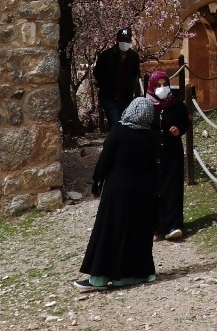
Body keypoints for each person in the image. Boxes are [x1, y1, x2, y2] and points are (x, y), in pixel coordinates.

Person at [77, 98, 160, 291]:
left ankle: (99, 278)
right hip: (144, 191)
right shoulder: (151, 136)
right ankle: (137, 274)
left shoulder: (119, 132)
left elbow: (105, 160)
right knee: (136, 232)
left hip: (118, 190)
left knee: (111, 230)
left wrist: (96, 183)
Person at [146, 69, 191, 241]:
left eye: (165, 85)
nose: (162, 88)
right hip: (154, 154)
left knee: (173, 187)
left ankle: (174, 225)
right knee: (156, 188)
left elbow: (185, 121)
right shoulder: (148, 106)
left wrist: (179, 129)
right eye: (158, 85)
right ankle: (158, 225)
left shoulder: (177, 105)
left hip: (173, 153)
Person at [92, 28, 141, 130]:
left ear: (130, 41)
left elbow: (136, 75)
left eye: (127, 40)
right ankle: (115, 145)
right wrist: (105, 86)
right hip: (110, 98)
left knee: (126, 126)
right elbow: (97, 72)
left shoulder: (134, 57)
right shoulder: (106, 55)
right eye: (122, 40)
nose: (124, 43)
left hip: (126, 97)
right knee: (115, 125)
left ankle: (121, 145)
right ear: (117, 40)